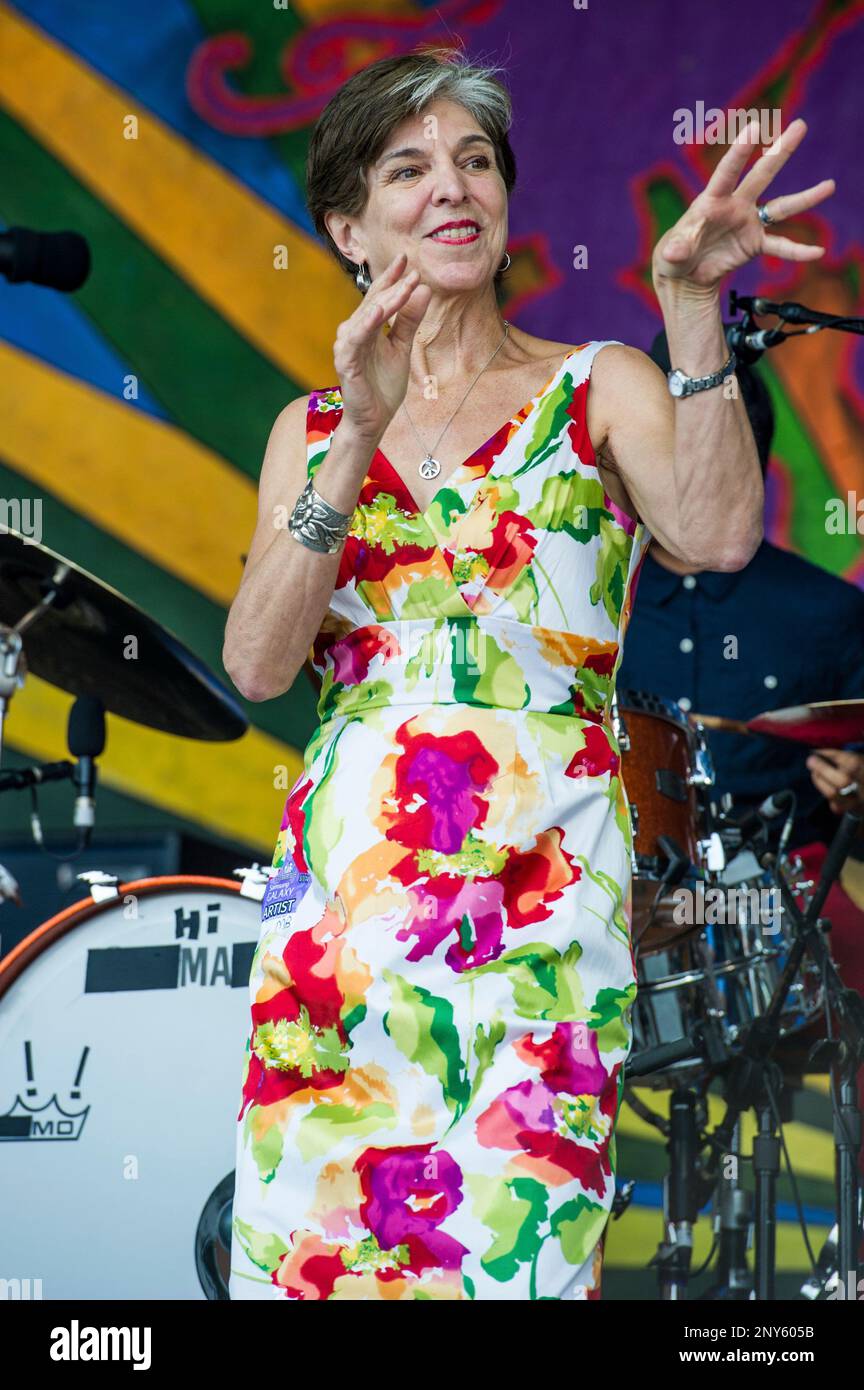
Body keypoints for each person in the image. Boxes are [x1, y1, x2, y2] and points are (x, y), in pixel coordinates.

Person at [222, 46, 832, 1300]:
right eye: (409, 168)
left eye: (477, 160)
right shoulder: (311, 427)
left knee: (517, 1262)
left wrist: (691, 307)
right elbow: (258, 661)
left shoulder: (595, 383)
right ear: (347, 226)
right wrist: (357, 440)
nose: (454, 187)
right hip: (346, 928)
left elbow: (715, 535)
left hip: (539, 917)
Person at [618, 328, 864, 1163]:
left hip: (775, 902)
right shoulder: (586, 608)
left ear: (751, 458)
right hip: (624, 895)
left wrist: (856, 784)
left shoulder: (828, 613)